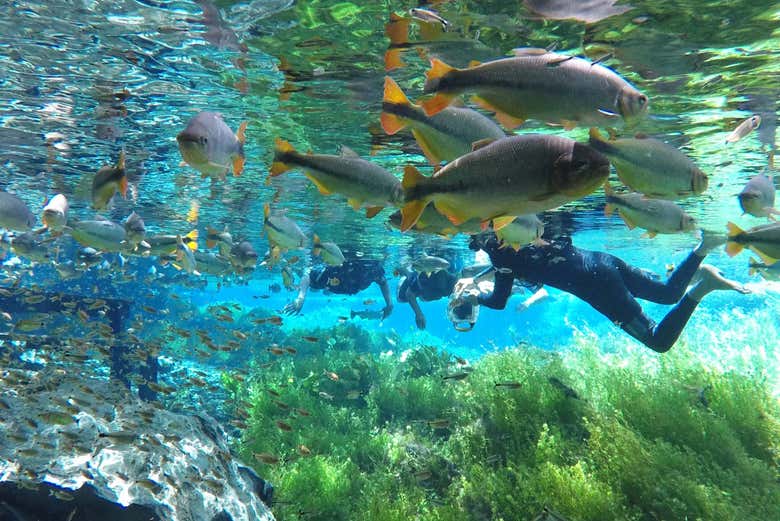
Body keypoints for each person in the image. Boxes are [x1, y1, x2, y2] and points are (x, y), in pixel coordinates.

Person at [455, 232, 749, 353]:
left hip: (596, 286)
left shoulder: (500, 256)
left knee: (658, 340)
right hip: (601, 261)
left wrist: (473, 297)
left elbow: (498, 301)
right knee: (667, 294)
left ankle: (705, 285)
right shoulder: (517, 232)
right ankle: (703, 248)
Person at [283, 258, 393, 318]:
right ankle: (289, 268)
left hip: (335, 287)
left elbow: (383, 282)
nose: (354, 275)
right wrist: (301, 298)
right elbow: (307, 275)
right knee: (313, 284)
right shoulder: (334, 269)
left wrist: (389, 304)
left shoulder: (370, 271)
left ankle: (324, 290)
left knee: (318, 286)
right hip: (330, 284)